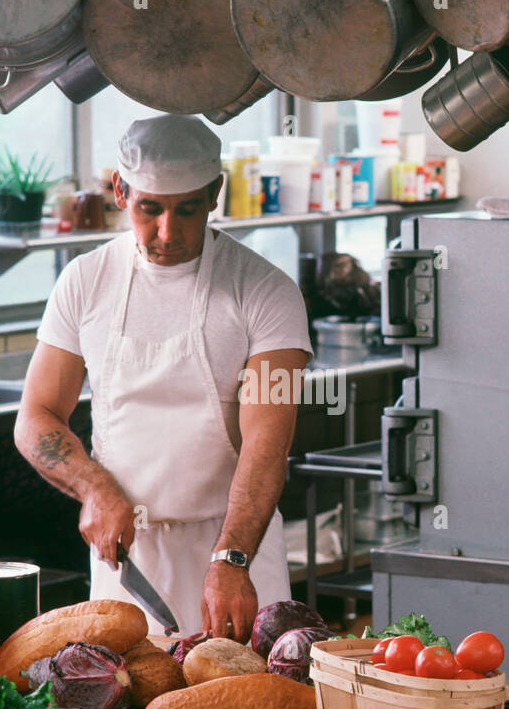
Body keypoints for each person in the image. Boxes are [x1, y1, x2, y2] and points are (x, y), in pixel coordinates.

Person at [16, 115, 312, 644]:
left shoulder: (267, 291)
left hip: (236, 557)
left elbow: (269, 442)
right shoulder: (85, 281)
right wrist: (94, 487)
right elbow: (35, 417)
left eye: (188, 209)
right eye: (149, 209)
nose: (168, 232)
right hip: (127, 560)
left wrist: (231, 559)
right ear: (120, 190)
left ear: (215, 193)